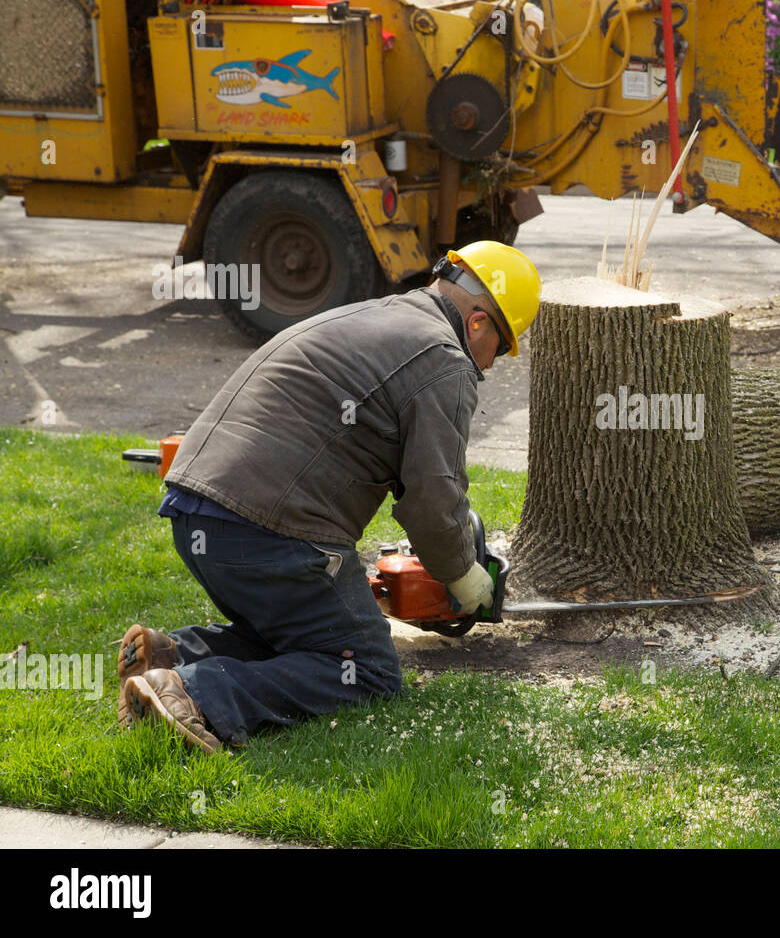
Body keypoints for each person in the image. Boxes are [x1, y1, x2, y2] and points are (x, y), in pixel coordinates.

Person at [116, 241, 542, 753]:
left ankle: (169, 654)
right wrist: (462, 572)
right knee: (364, 668)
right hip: (267, 528)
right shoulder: (444, 361)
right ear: (477, 323)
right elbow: (433, 496)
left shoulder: (378, 313)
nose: (494, 364)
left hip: (195, 510)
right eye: (503, 344)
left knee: (307, 640)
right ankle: (195, 693)